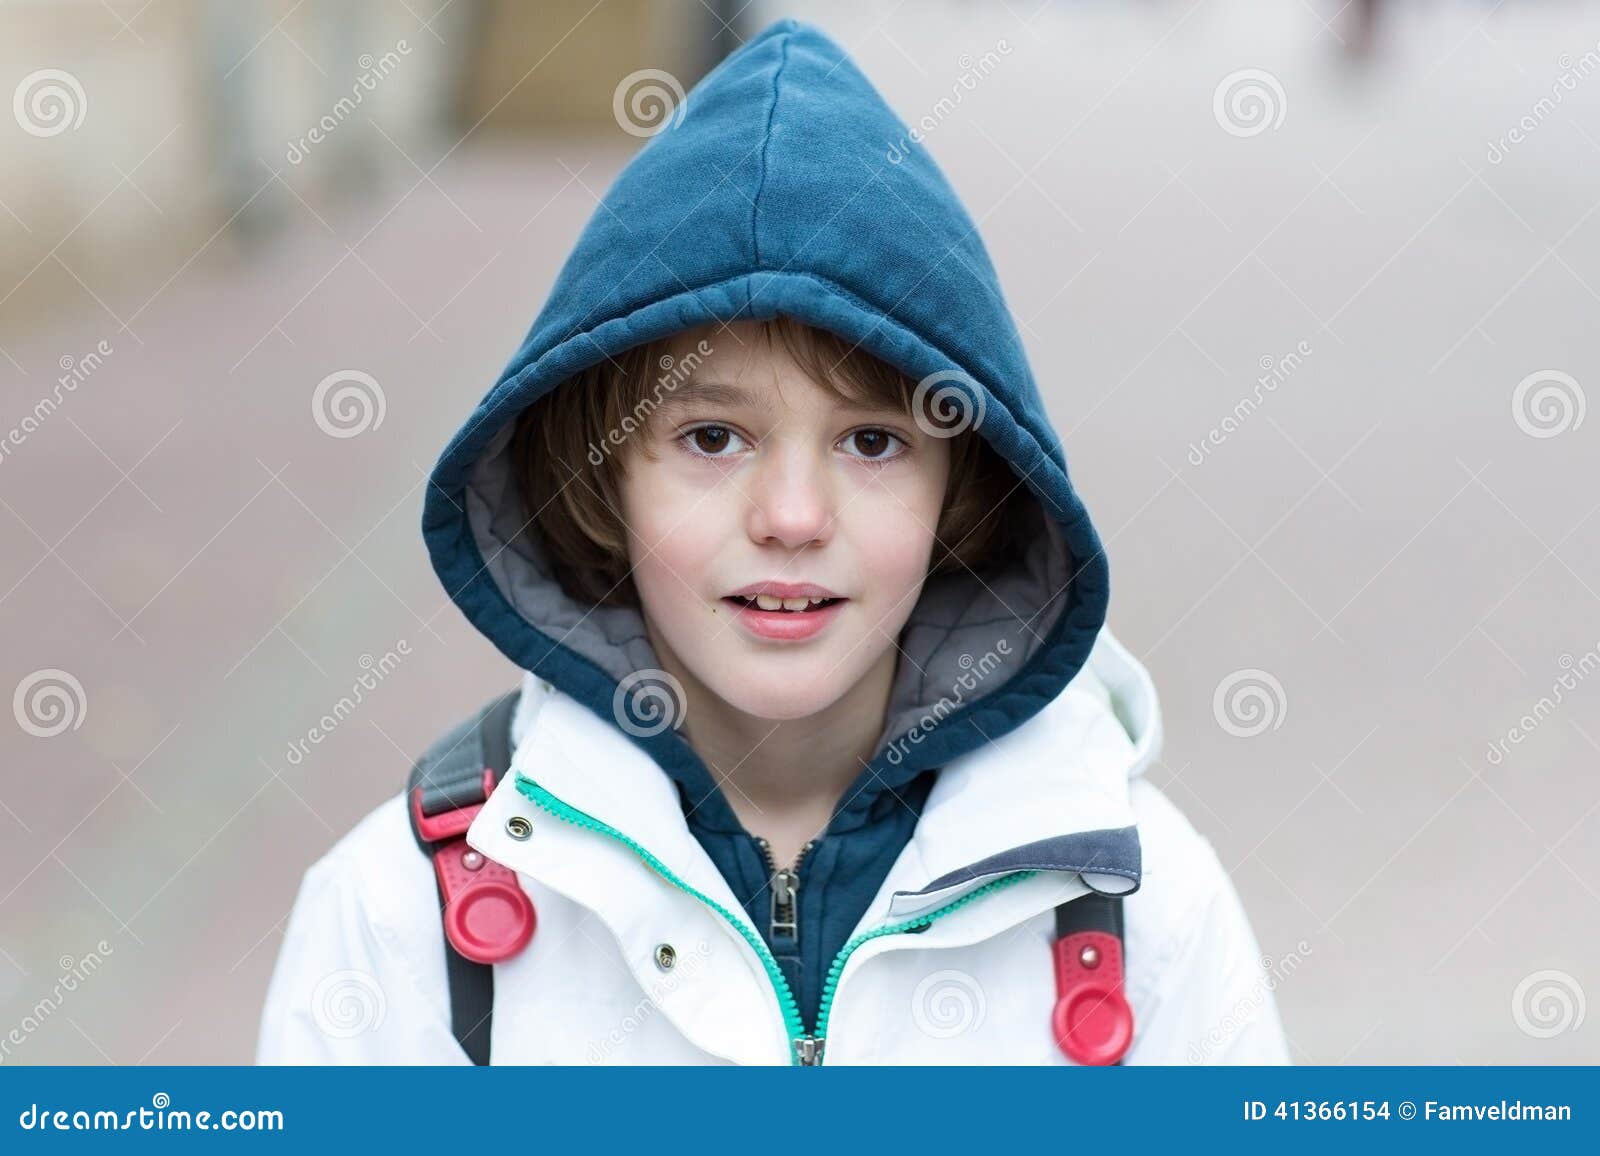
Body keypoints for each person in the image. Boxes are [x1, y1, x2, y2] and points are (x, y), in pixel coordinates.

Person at [256, 18, 1289, 1065]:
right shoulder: (400, 919)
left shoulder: (1139, 906)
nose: (792, 516)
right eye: (712, 437)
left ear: (965, 488)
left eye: (873, 441)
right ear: (602, 472)